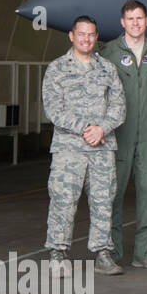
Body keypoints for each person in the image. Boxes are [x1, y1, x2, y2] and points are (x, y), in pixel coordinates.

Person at [42, 16, 126, 276]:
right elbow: (53, 109)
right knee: (63, 201)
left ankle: (102, 253)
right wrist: (85, 129)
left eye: (91, 35)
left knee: (103, 201)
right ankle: (57, 253)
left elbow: (119, 106)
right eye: (81, 34)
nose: (86, 39)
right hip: (69, 149)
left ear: (96, 36)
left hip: (102, 148)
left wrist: (102, 129)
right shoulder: (57, 69)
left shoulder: (108, 69)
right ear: (71, 36)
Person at [100, 0, 147, 268]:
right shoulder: (108, 53)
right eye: (130, 19)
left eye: (140, 18)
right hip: (118, 134)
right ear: (122, 22)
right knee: (112, 194)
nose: (136, 23)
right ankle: (110, 252)